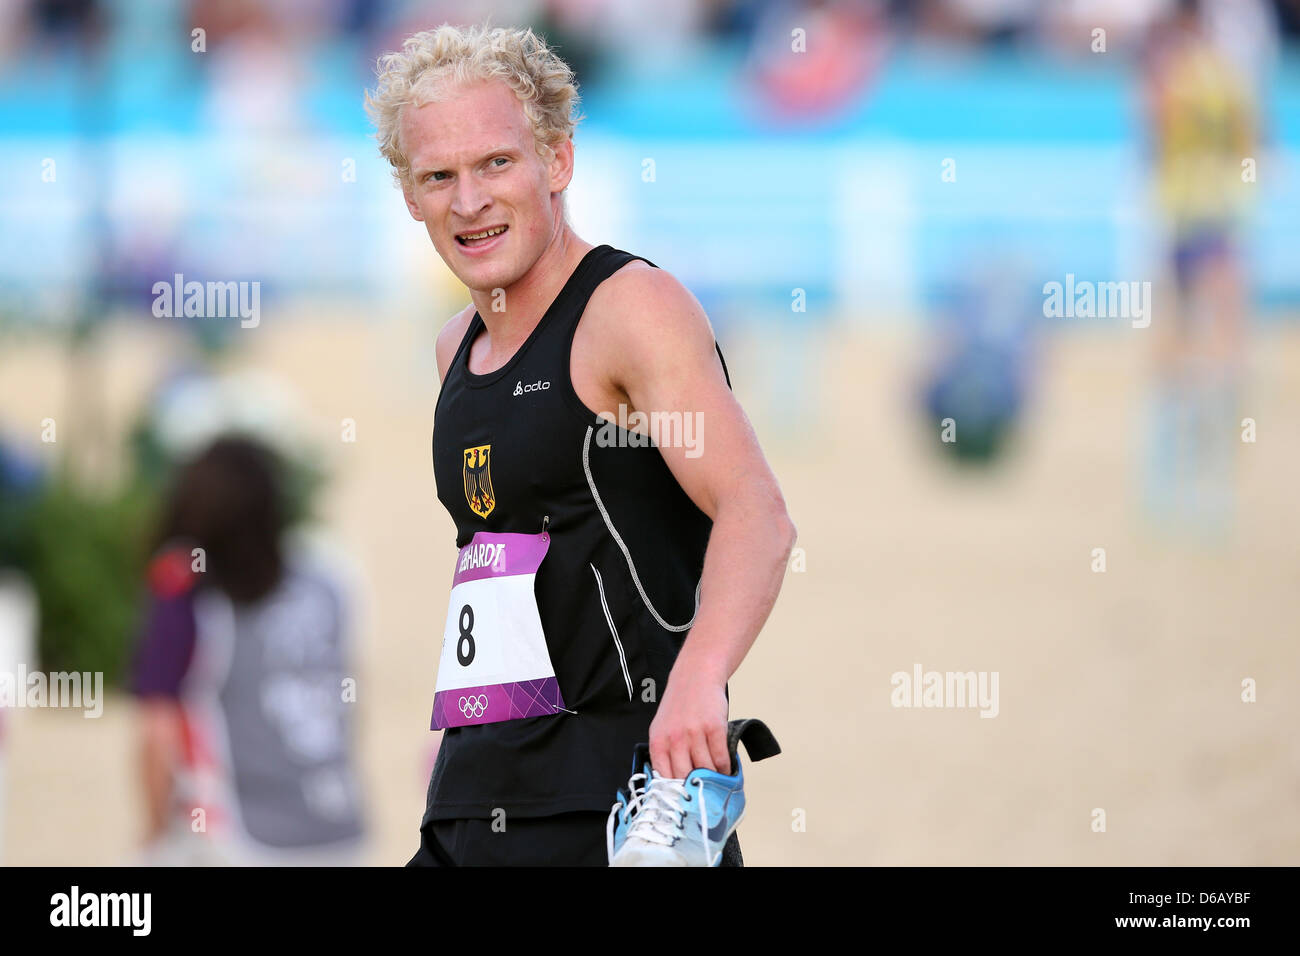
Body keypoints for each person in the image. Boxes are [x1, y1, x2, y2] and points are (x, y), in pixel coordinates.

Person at [366, 23, 796, 866]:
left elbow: (756, 512)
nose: (469, 200)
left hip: (621, 797)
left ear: (557, 162)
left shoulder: (627, 310)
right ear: (409, 196)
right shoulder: (456, 346)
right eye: (439, 177)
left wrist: (698, 682)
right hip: (472, 792)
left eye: (497, 163)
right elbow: (506, 567)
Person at [130, 435, 367, 865]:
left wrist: (152, 835)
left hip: (247, 838)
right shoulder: (327, 580)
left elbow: (157, 731)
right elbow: (350, 701)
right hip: (342, 828)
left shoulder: (189, 594)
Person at [1139, 0, 1257, 544]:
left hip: (1183, 220)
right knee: (1222, 354)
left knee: (1177, 352)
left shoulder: (1169, 76)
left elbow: (1153, 144)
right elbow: (1255, 150)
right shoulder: (1227, 77)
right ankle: (1209, 492)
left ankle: (1164, 483)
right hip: (1220, 219)